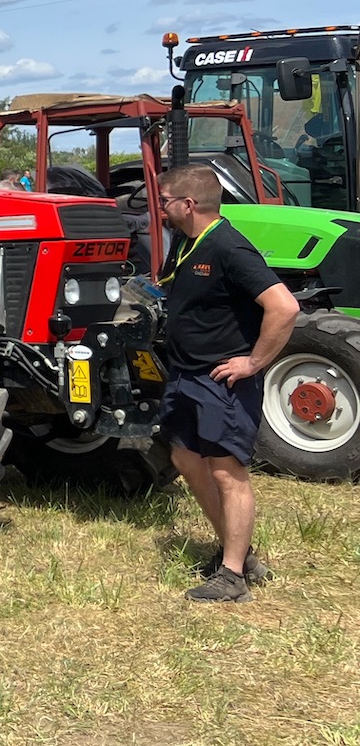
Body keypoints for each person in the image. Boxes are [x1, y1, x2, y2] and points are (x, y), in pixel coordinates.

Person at [156, 164, 298, 602]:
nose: (159, 208)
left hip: (221, 380)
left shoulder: (228, 246)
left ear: (188, 204)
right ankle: (238, 553)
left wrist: (253, 363)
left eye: (164, 200)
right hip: (185, 374)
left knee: (226, 470)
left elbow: (284, 307)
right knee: (185, 458)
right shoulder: (186, 242)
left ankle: (233, 578)